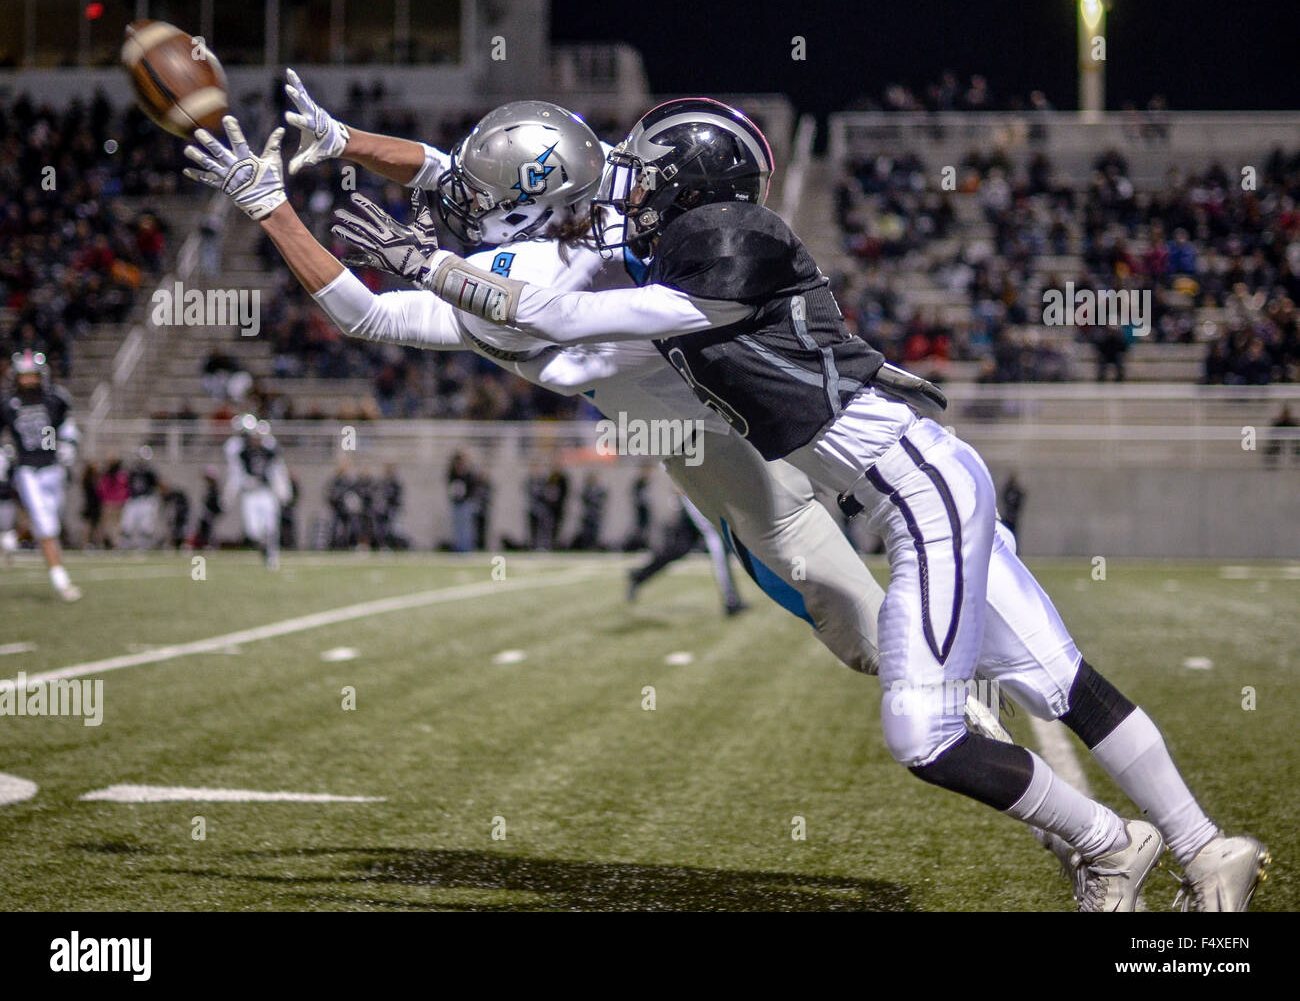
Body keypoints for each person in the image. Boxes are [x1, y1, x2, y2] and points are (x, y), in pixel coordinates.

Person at [185, 99, 1262, 909]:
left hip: (818, 463)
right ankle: (1170, 836)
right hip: (774, 473)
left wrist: (318, 204)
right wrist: (327, 158)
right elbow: (473, 200)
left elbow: (500, 241)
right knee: (903, 645)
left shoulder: (605, 252)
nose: (627, 183)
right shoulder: (588, 236)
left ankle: (1102, 829)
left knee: (927, 704)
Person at [0, 351, 81, 600]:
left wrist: (69, 445)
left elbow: (68, 426)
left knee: (49, 521)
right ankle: (61, 580)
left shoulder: (55, 398)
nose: (28, 381)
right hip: (28, 470)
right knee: (46, 526)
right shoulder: (8, 404)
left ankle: (11, 540)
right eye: (24, 376)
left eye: (32, 376)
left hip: (53, 468)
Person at [628, 489, 747, 616]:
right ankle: (731, 601)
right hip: (694, 496)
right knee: (717, 539)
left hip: (697, 495)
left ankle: (639, 575)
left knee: (680, 547)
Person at [223, 414, 291, 569]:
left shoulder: (270, 451)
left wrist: (283, 491)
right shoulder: (242, 453)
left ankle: (272, 556)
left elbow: (278, 472)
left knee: (271, 526)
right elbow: (235, 474)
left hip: (266, 493)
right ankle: (264, 548)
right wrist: (229, 495)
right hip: (250, 495)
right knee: (253, 531)